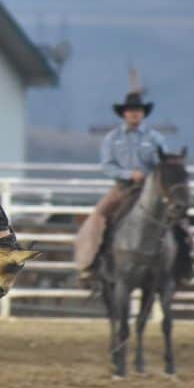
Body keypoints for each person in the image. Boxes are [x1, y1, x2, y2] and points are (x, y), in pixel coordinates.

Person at [74, 91, 168, 284]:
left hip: (151, 189)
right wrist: (128, 174)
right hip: (123, 188)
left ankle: (186, 262)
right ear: (124, 113)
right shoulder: (112, 138)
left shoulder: (155, 138)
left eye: (138, 110)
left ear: (143, 114)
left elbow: (165, 163)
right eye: (131, 110)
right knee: (98, 216)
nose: (135, 114)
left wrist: (150, 175)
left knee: (176, 217)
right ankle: (89, 263)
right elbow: (107, 166)